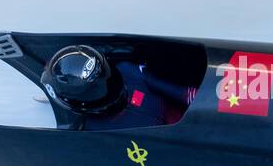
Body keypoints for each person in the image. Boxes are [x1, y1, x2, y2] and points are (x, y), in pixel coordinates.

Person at [41, 45, 192, 129]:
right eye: (95, 91)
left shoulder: (129, 71)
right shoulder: (93, 131)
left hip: (194, 124)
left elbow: (185, 93)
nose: (105, 89)